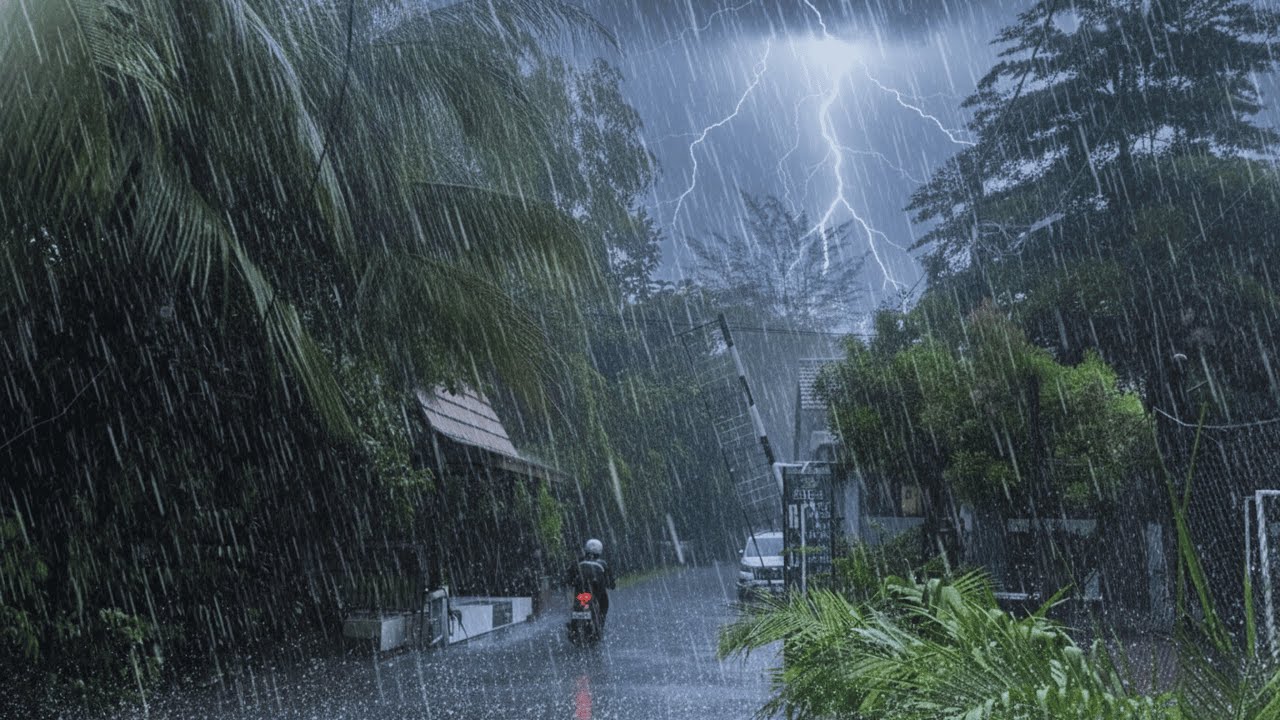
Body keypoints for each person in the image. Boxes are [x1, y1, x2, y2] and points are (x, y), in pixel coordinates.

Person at [565, 538, 615, 623]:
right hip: (597, 594)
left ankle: (573, 625)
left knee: (576, 606)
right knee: (603, 606)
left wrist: (572, 582)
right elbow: (611, 584)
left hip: (581, 593)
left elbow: (568, 580)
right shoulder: (603, 564)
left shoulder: (577, 562)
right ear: (600, 551)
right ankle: (600, 622)